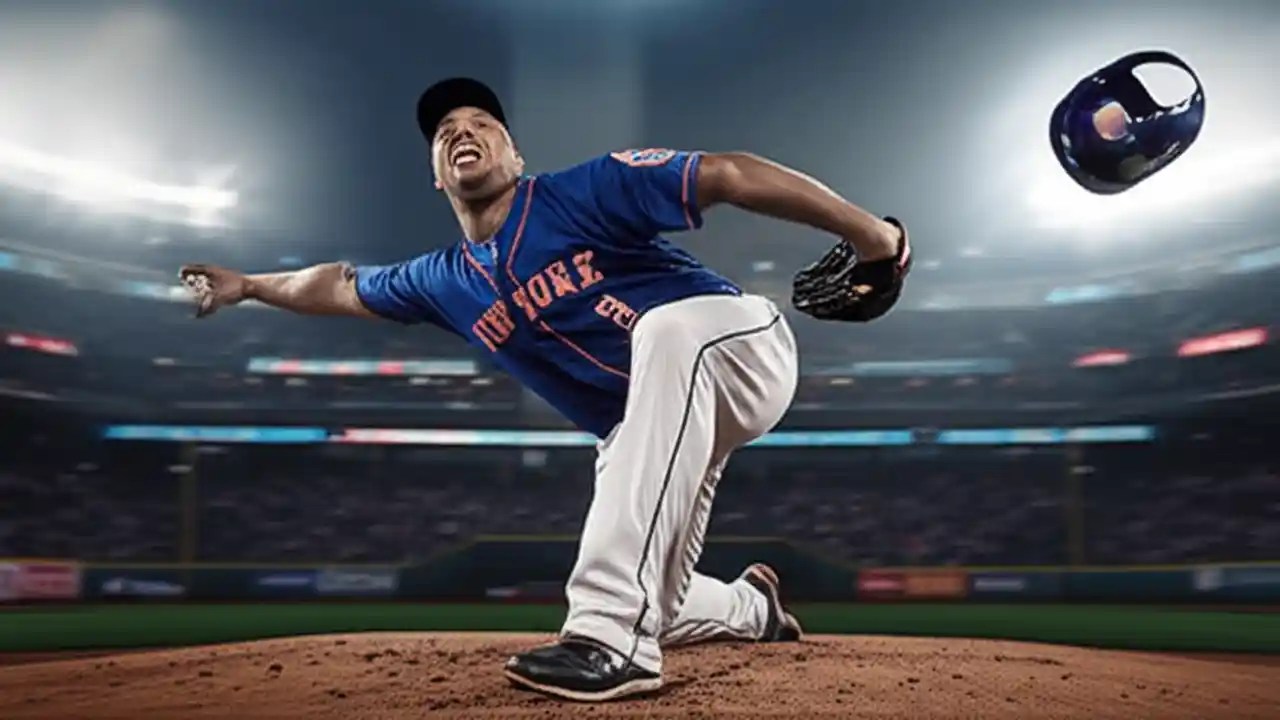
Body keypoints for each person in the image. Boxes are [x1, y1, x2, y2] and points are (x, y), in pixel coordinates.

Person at [180, 77, 909, 702]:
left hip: (738, 347)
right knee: (665, 589)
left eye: (482, 124)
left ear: (515, 155)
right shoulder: (442, 280)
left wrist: (874, 236)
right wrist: (249, 286)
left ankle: (606, 637)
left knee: (664, 334)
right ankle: (752, 607)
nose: (462, 131)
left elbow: (726, 174)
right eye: (445, 132)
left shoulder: (580, 194)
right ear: (435, 173)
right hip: (656, 420)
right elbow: (337, 285)